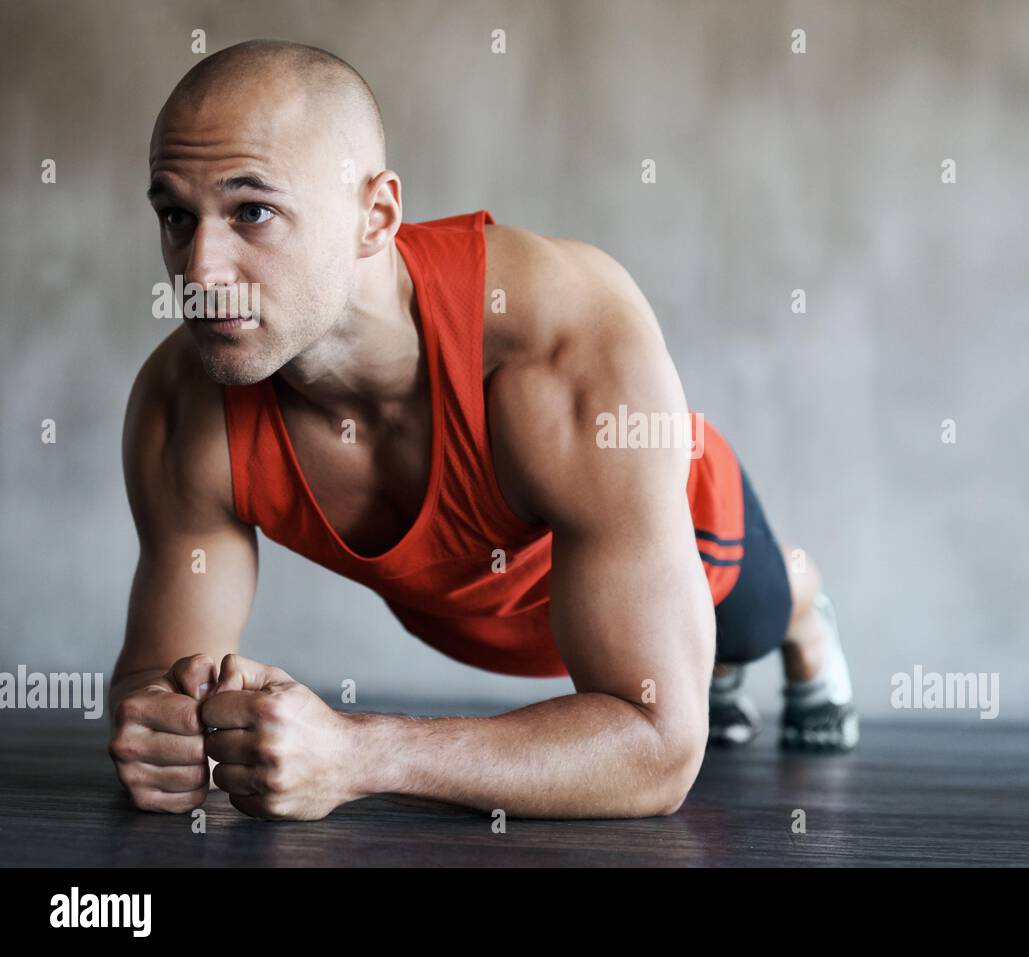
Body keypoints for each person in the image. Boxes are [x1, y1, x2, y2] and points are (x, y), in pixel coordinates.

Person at [109, 39, 858, 823]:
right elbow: (150, 684)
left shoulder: (562, 339)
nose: (198, 274)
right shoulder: (179, 407)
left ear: (377, 215)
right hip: (476, 615)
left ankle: (802, 623)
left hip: (692, 537)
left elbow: (658, 753)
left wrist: (357, 754)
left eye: (252, 211)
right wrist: (158, 731)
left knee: (757, 619)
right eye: (176, 216)